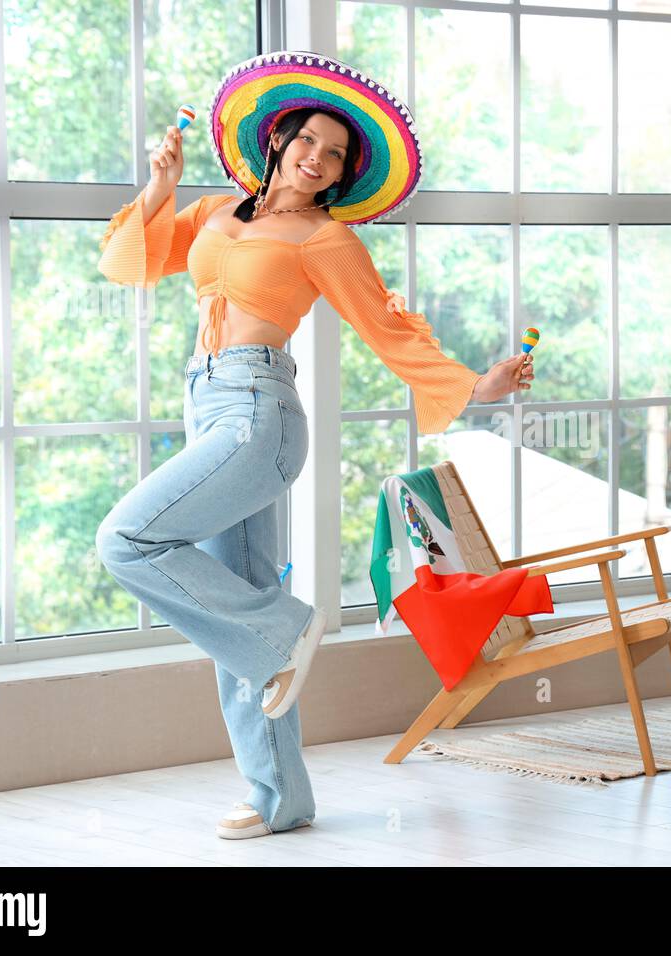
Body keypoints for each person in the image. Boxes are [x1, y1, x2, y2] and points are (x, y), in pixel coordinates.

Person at [94, 51, 534, 840]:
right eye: (307, 140)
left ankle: (285, 628)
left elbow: (387, 326)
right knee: (240, 607)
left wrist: (475, 385)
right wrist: (159, 188)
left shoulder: (325, 239)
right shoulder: (215, 214)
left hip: (259, 416)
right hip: (207, 403)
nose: (317, 158)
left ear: (339, 178)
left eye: (333, 155)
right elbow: (131, 263)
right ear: (278, 141)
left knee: (126, 539)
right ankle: (280, 799)